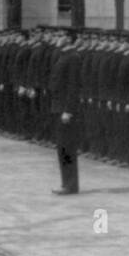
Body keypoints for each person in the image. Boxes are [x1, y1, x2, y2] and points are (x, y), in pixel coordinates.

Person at [48, 30, 83, 195]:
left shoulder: (73, 57)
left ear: (68, 39)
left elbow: (73, 86)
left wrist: (68, 110)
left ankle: (71, 184)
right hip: (58, 106)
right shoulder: (63, 55)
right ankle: (66, 182)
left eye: (59, 36)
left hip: (65, 109)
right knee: (62, 147)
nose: (57, 38)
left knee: (67, 146)